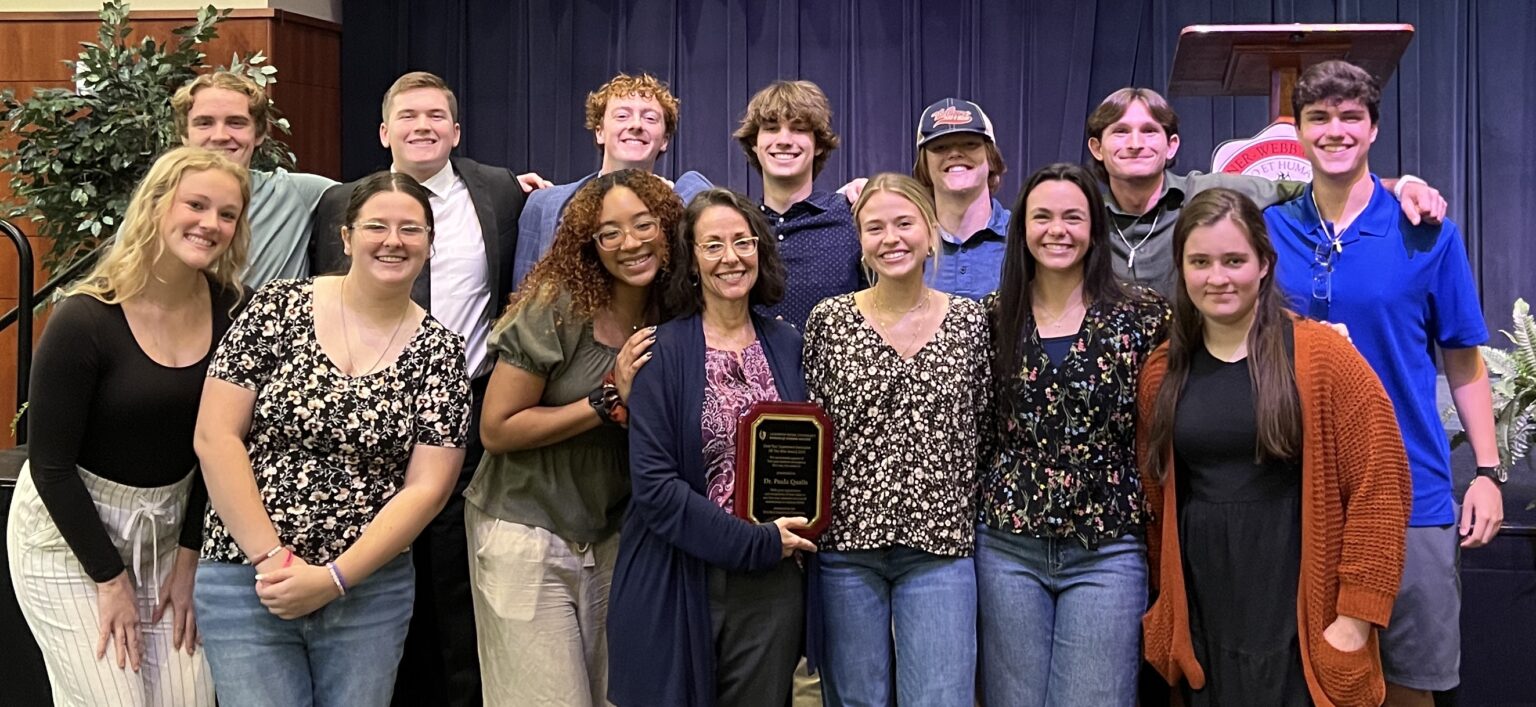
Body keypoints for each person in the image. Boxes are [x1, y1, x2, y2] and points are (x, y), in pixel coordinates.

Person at [1264, 60, 1501, 706]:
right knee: (1313, 680)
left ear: (1372, 129)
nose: (1335, 131)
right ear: (1298, 131)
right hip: (1297, 491)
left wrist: (1487, 470)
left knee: (1410, 686)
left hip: (1412, 492)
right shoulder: (1268, 232)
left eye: (1350, 118)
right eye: (1320, 118)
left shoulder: (1426, 232)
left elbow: (1463, 359)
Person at [193, 171, 471, 706]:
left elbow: (428, 488)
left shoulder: (441, 351)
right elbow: (215, 436)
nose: (393, 240)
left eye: (411, 229)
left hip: (369, 593)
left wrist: (336, 578)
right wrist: (272, 560)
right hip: (247, 580)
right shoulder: (277, 308)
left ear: (430, 245)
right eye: (377, 226)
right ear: (346, 238)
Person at [1140, 187, 1412, 705]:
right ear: (1181, 268)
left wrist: (1354, 621)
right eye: (1200, 262)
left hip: (1296, 601)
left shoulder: (1324, 358)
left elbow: (1381, 489)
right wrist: (1167, 605)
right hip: (1206, 605)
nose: (1217, 277)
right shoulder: (1161, 372)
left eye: (1234, 260)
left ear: (1264, 263)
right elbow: (1156, 500)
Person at [308, 70, 526, 706]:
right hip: (369, 412)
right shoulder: (339, 205)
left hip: (470, 408)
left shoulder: (501, 192)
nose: (422, 126)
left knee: (456, 574)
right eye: (407, 116)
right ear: (384, 133)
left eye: (436, 115)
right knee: (375, 560)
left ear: (456, 132)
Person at [7, 146, 250, 706]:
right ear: (158, 205)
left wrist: (190, 560)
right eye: (196, 204)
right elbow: (50, 466)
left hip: (171, 531)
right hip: (70, 538)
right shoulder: (84, 317)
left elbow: (222, 449)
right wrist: (110, 580)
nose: (210, 224)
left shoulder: (233, 310)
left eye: (227, 214)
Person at [467, 169, 683, 705]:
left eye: (643, 224)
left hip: (615, 534)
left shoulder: (678, 311)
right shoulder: (557, 302)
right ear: (589, 244)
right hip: (526, 528)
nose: (629, 243)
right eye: (609, 233)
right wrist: (606, 399)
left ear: (669, 228)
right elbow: (496, 429)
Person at [607, 188, 816, 707]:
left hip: (770, 587)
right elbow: (655, 490)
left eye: (742, 242)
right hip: (677, 573)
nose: (731, 257)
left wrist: (779, 541)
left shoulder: (788, 344)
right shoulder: (660, 351)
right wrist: (756, 543)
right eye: (713, 245)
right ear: (692, 262)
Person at [975, 163, 1169, 705]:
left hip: (1107, 547)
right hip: (1008, 545)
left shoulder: (1143, 315)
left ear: (1095, 228)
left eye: (1072, 217)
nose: (1057, 230)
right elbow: (982, 429)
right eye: (1042, 216)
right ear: (1022, 228)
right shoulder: (991, 318)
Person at [802, 173, 988, 705]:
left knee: (940, 698)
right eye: (875, 227)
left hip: (940, 550)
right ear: (859, 240)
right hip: (847, 550)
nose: (891, 238)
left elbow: (986, 427)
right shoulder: (830, 321)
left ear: (931, 232)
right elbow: (811, 432)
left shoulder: (971, 322)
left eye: (904, 223)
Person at [1085, 86, 1447, 299]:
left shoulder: (1210, 192)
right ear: (1097, 148)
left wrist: (1400, 185)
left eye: (1149, 131)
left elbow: (1315, 193)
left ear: (1172, 145)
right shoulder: (1083, 219)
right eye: (1120, 132)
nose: (1135, 144)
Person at [511, 72, 712, 290]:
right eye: (622, 116)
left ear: (664, 140)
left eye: (650, 118)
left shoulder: (686, 203)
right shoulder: (544, 203)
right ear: (599, 132)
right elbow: (522, 294)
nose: (636, 125)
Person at [173, 71, 336, 288]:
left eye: (236, 123)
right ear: (185, 135)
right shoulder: (156, 204)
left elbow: (381, 199)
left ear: (259, 134)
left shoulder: (298, 194)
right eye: (204, 123)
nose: (220, 135)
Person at [734, 79, 862, 330]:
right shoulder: (737, 224)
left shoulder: (852, 215)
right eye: (771, 128)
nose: (784, 139)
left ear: (818, 145)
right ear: (754, 143)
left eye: (799, 129)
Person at [912, 98, 1011, 300]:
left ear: (991, 157)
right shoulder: (907, 241)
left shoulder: (1023, 235)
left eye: (970, 144)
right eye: (940, 147)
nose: (955, 153)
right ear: (924, 164)